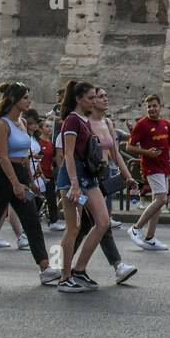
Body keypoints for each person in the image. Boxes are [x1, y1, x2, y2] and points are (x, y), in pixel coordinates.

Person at [0, 83, 60, 286]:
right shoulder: (2, 124)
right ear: (14, 100)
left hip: (20, 174)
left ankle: (45, 268)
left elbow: (24, 156)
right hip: (2, 177)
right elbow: (4, 157)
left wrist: (29, 180)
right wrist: (16, 184)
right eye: (25, 97)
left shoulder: (21, 122)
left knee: (32, 221)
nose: (29, 101)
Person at [69, 87, 138, 282]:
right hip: (88, 179)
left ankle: (62, 264)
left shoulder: (107, 122)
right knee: (100, 221)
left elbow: (115, 154)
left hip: (104, 176)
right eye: (100, 96)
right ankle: (117, 265)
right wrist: (76, 184)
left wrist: (127, 177)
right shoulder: (85, 124)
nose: (105, 99)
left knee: (89, 224)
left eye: (106, 95)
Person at [55, 81, 111, 294]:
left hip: (89, 178)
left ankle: (79, 270)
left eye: (95, 97)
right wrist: (74, 185)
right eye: (90, 98)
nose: (94, 101)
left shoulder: (84, 121)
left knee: (102, 222)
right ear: (79, 99)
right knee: (73, 228)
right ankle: (63, 276)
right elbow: (68, 154)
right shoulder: (71, 121)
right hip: (74, 180)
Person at [127, 94, 170, 251]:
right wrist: (147, 152)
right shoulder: (141, 125)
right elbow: (129, 147)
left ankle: (150, 238)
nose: (152, 109)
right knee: (162, 199)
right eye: (149, 106)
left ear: (160, 107)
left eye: (154, 106)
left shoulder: (165, 124)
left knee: (157, 203)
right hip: (150, 166)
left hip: (164, 167)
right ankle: (136, 228)